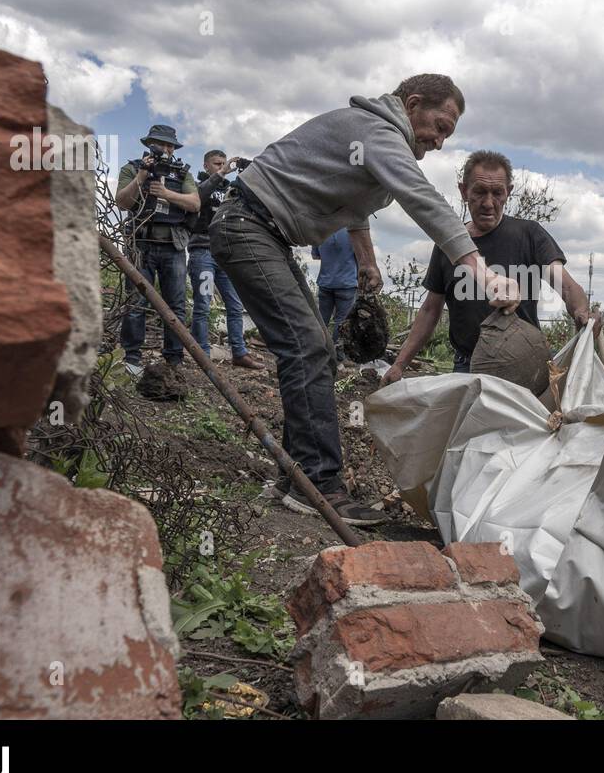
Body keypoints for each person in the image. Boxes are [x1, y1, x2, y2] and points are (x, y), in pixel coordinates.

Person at [210, 74, 520, 526]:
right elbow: (421, 197)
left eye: (448, 135)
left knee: (315, 349)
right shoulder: (377, 131)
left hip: (264, 234)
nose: (438, 141)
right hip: (246, 226)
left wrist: (367, 261)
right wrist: (479, 269)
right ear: (412, 104)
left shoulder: (373, 140)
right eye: (439, 127)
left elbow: (352, 210)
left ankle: (295, 475)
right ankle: (318, 486)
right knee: (308, 348)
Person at [383, 150, 595, 383]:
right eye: (479, 192)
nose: (488, 203)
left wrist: (581, 311)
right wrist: (399, 365)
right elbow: (430, 310)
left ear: (509, 193)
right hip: (467, 366)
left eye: (497, 193)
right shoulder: (449, 245)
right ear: (464, 191)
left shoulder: (529, 235)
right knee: (466, 420)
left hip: (523, 366)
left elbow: (565, 285)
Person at [114, 124, 200, 375]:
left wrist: (165, 193)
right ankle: (131, 358)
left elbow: (195, 204)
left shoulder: (182, 173)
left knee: (175, 305)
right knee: (136, 302)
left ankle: (174, 359)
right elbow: (121, 201)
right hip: (140, 245)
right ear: (149, 144)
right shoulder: (131, 168)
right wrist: (141, 177)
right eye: (161, 144)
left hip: (172, 246)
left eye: (170, 145)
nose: (165, 149)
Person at [188, 149, 262, 370]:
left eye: (223, 163)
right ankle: (203, 354)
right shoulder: (195, 186)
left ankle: (239, 353)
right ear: (206, 166)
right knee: (202, 304)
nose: (222, 166)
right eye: (216, 163)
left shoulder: (231, 189)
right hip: (202, 252)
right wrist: (220, 174)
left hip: (225, 256)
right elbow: (198, 198)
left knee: (235, 304)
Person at [311, 228, 358, 344]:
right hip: (347, 284)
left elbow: (315, 256)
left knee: (321, 320)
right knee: (342, 321)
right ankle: (337, 353)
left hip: (325, 282)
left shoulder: (322, 230)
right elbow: (360, 257)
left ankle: (318, 349)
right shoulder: (353, 230)